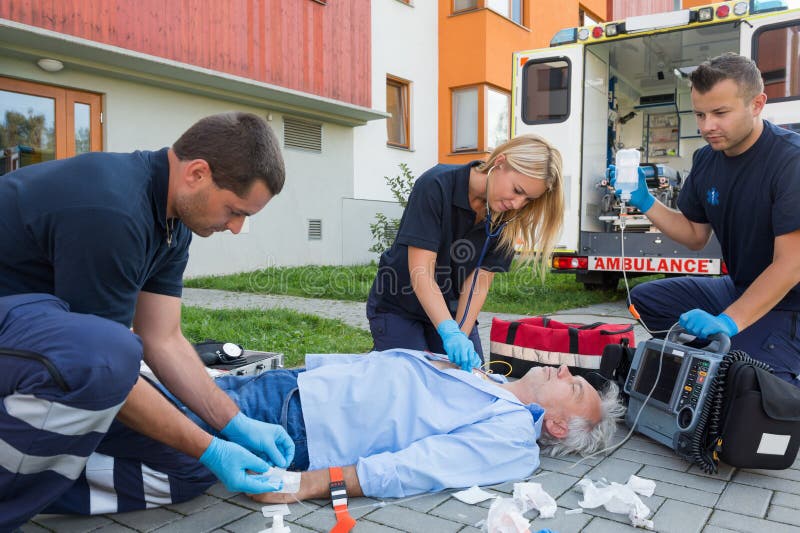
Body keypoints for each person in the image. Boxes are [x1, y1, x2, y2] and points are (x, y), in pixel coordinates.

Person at [0, 112, 295, 530]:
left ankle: (39, 477)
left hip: (36, 356)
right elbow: (105, 368)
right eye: (234, 210)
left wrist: (234, 424)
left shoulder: (174, 224)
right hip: (26, 349)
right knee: (113, 357)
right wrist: (212, 446)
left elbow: (164, 338)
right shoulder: (112, 211)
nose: (235, 227)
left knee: (191, 468)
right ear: (197, 173)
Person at [37, 349, 623, 515]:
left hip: (299, 425)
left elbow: (414, 468)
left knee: (148, 424)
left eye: (575, 388)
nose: (567, 371)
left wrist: (309, 487)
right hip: (295, 391)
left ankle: (30, 456)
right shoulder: (491, 382)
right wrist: (310, 364)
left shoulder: (513, 441)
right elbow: (386, 369)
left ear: (555, 423)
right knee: (149, 418)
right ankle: (37, 423)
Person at [610, 53, 800, 385]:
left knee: (745, 380)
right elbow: (696, 234)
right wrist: (644, 200)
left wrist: (729, 321)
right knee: (643, 301)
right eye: (700, 114)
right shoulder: (706, 159)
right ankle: (719, 356)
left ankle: (745, 358)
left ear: (757, 104)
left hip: (791, 302)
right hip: (739, 287)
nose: (707, 126)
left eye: (720, 113)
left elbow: (791, 265)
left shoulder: (790, 161)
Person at [367, 135, 564, 371]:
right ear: (500, 162)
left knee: (470, 379)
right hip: (400, 307)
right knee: (415, 379)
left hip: (450, 309)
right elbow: (421, 272)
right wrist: (449, 333)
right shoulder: (436, 185)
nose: (517, 204)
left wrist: (460, 334)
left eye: (527, 199)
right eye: (517, 190)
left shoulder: (506, 216)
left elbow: (478, 283)